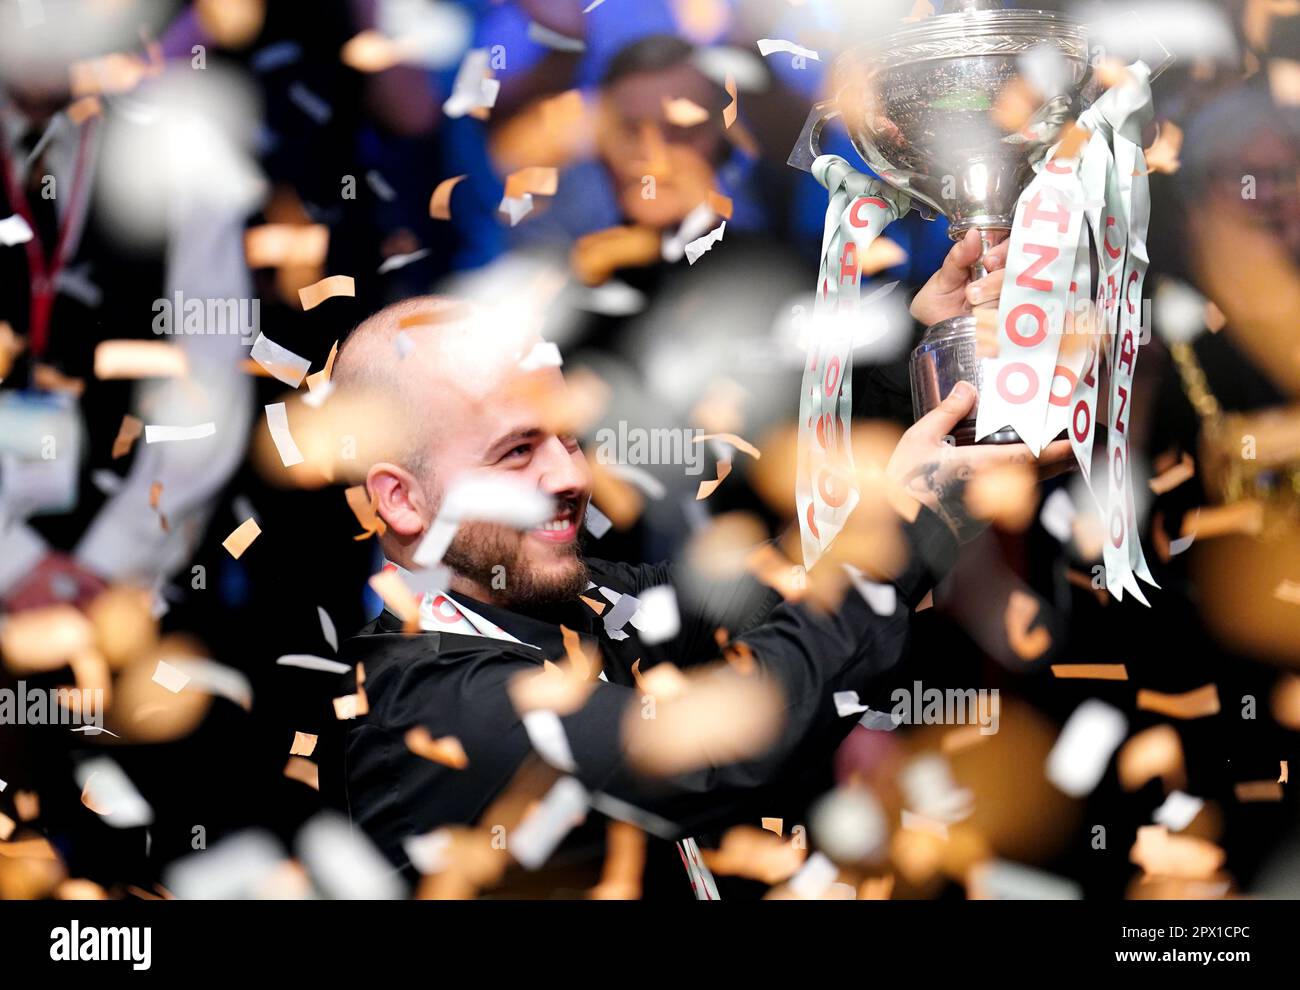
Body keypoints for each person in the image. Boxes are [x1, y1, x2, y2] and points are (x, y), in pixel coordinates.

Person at [330, 234, 1071, 897]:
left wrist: (930, 363)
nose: (570, 476)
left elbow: (768, 584)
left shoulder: (565, 603)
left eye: (567, 439)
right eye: (518, 451)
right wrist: (915, 523)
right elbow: (716, 749)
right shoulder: (436, 707)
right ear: (401, 500)